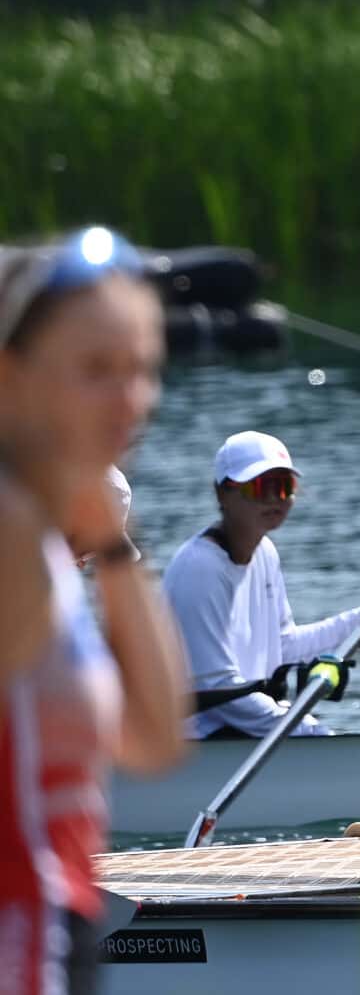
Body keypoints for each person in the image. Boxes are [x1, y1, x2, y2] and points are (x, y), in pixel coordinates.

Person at [0, 228, 185, 995]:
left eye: (142, 369)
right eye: (96, 370)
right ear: (11, 378)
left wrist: (113, 545)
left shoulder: (51, 530)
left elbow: (152, 738)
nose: (130, 398)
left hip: (56, 936)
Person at [162, 431, 360, 739]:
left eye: (282, 487)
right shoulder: (199, 568)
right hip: (196, 744)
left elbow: (286, 648)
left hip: (242, 732)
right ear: (221, 494)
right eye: (259, 486)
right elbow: (219, 691)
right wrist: (311, 733)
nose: (272, 499)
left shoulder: (265, 552)